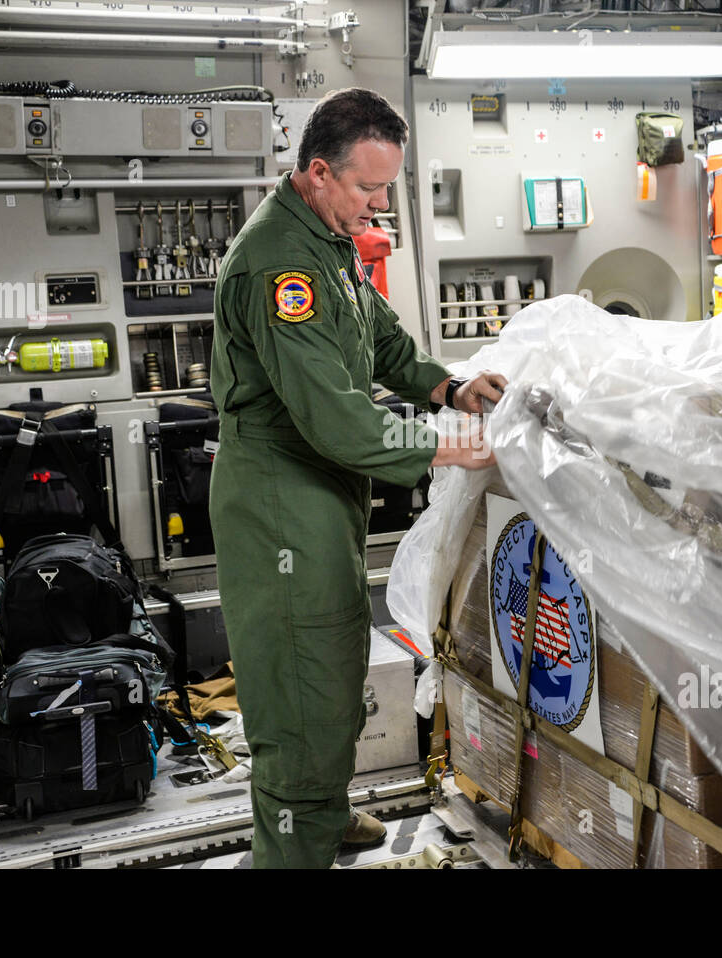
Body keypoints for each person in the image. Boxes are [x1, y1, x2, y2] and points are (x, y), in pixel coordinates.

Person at [208, 87, 507, 868]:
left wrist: (448, 387)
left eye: (387, 188)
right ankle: (292, 846)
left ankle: (323, 810)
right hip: (281, 490)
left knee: (334, 656)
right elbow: (336, 418)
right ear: (317, 173)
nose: (380, 205)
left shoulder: (330, 240)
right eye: (369, 189)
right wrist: (447, 447)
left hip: (322, 484)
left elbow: (380, 343)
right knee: (300, 678)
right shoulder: (279, 265)